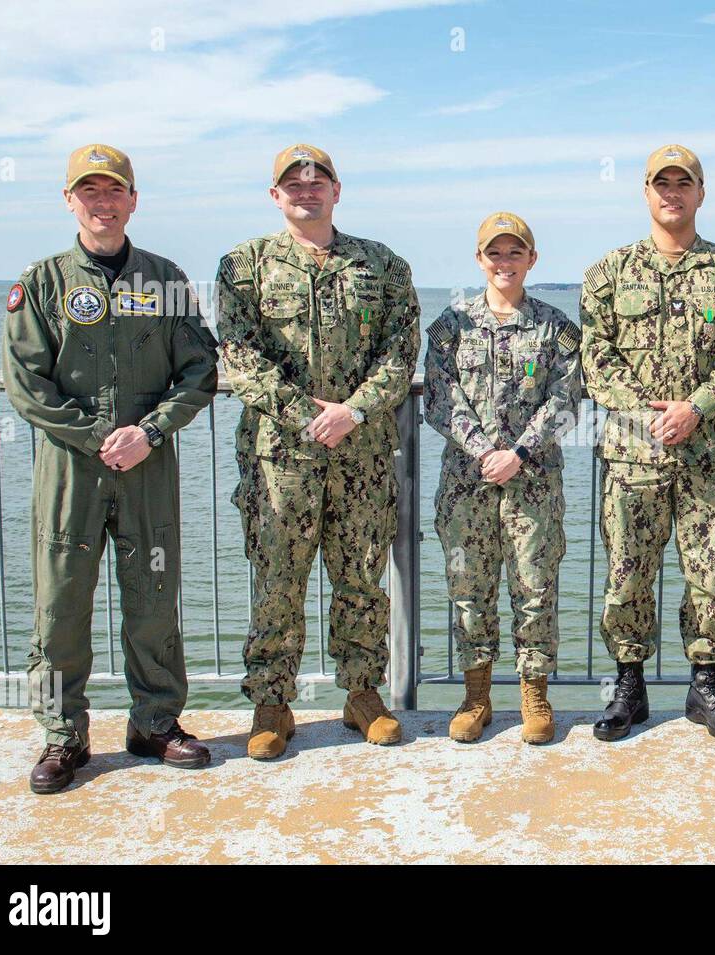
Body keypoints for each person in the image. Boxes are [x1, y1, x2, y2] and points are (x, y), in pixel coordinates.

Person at [3, 143, 219, 794]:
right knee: (61, 602)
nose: (102, 202)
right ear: (69, 200)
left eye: (114, 190)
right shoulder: (41, 284)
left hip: (147, 466)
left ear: (133, 198)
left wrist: (150, 431)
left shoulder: (165, 278)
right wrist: (101, 435)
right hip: (71, 469)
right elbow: (27, 383)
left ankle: (154, 722)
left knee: (153, 597)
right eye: (88, 191)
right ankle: (63, 738)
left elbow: (200, 369)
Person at [215, 144, 420, 759]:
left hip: (363, 454)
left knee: (361, 579)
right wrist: (311, 416)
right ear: (275, 195)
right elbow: (239, 355)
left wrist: (352, 411)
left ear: (337, 190)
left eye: (318, 180)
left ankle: (362, 694)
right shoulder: (243, 267)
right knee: (279, 580)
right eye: (293, 183)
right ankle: (272, 703)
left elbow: (400, 351)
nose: (306, 190)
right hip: (281, 459)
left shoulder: (382, 265)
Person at [580, 144, 715, 742]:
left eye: (682, 183)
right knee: (627, 573)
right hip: (634, 457)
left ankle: (705, 685)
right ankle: (628, 687)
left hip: (708, 456)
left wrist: (697, 407)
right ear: (645, 193)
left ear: (700, 193)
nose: (671, 193)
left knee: (710, 574)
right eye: (661, 184)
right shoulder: (607, 274)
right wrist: (645, 414)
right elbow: (595, 355)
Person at [424, 212, 581, 744]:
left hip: (532, 481)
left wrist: (517, 452)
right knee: (469, 587)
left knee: (535, 586)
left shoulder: (556, 329)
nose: (504, 262)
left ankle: (534, 695)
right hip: (466, 483)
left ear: (531, 260)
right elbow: (441, 400)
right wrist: (483, 450)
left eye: (515, 253)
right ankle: (477, 696)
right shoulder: (451, 326)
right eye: (495, 253)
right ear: (479, 260)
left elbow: (566, 401)